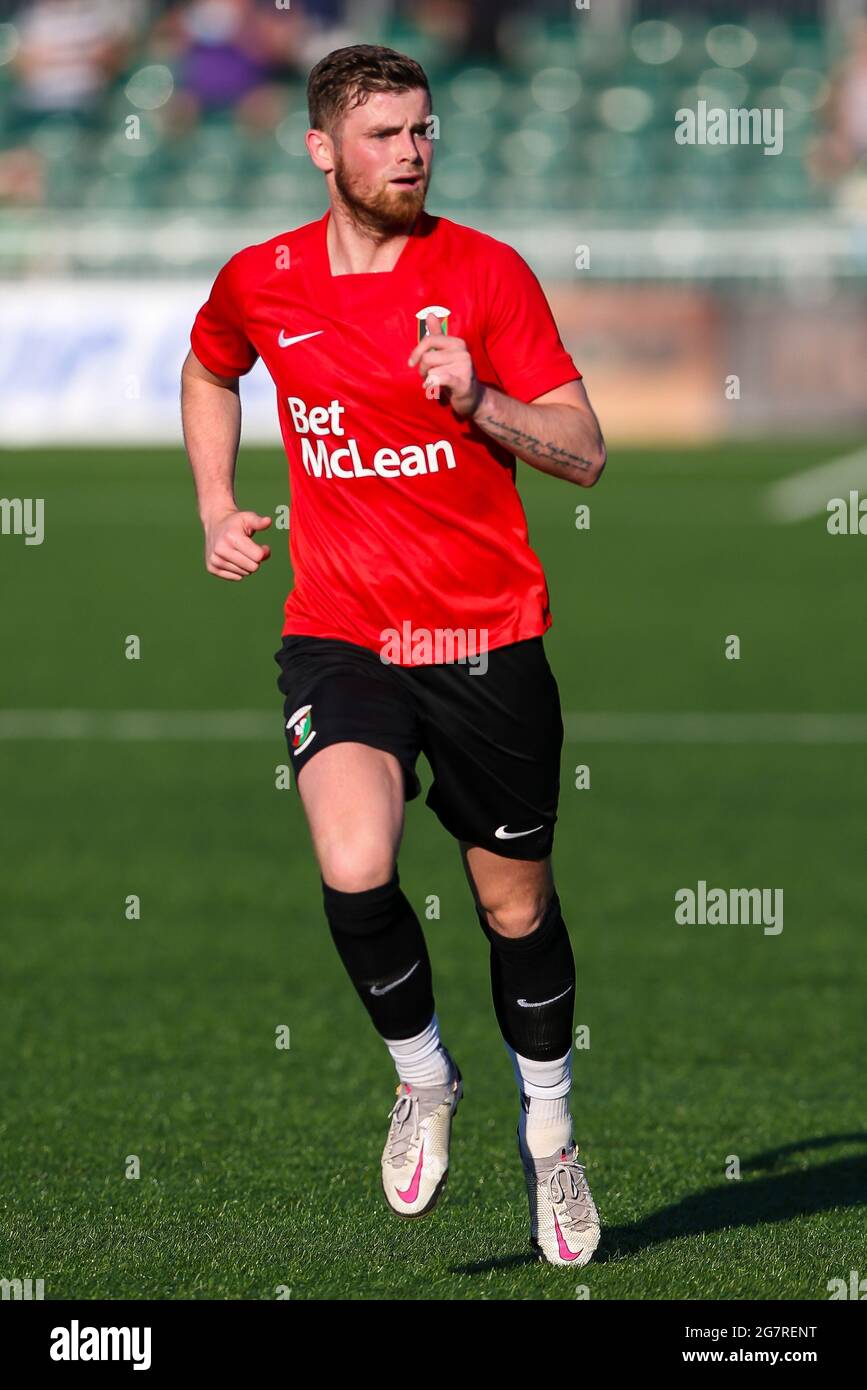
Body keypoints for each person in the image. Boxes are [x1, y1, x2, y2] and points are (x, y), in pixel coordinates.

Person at [181, 43, 607, 1267]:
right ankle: (424, 1078)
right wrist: (216, 505)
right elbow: (211, 367)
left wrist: (478, 404)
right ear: (323, 148)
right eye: (384, 135)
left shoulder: (485, 273)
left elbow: (584, 451)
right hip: (343, 634)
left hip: (487, 641)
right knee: (356, 859)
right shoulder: (261, 280)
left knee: (511, 906)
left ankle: (554, 1139)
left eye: (423, 131)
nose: (412, 153)